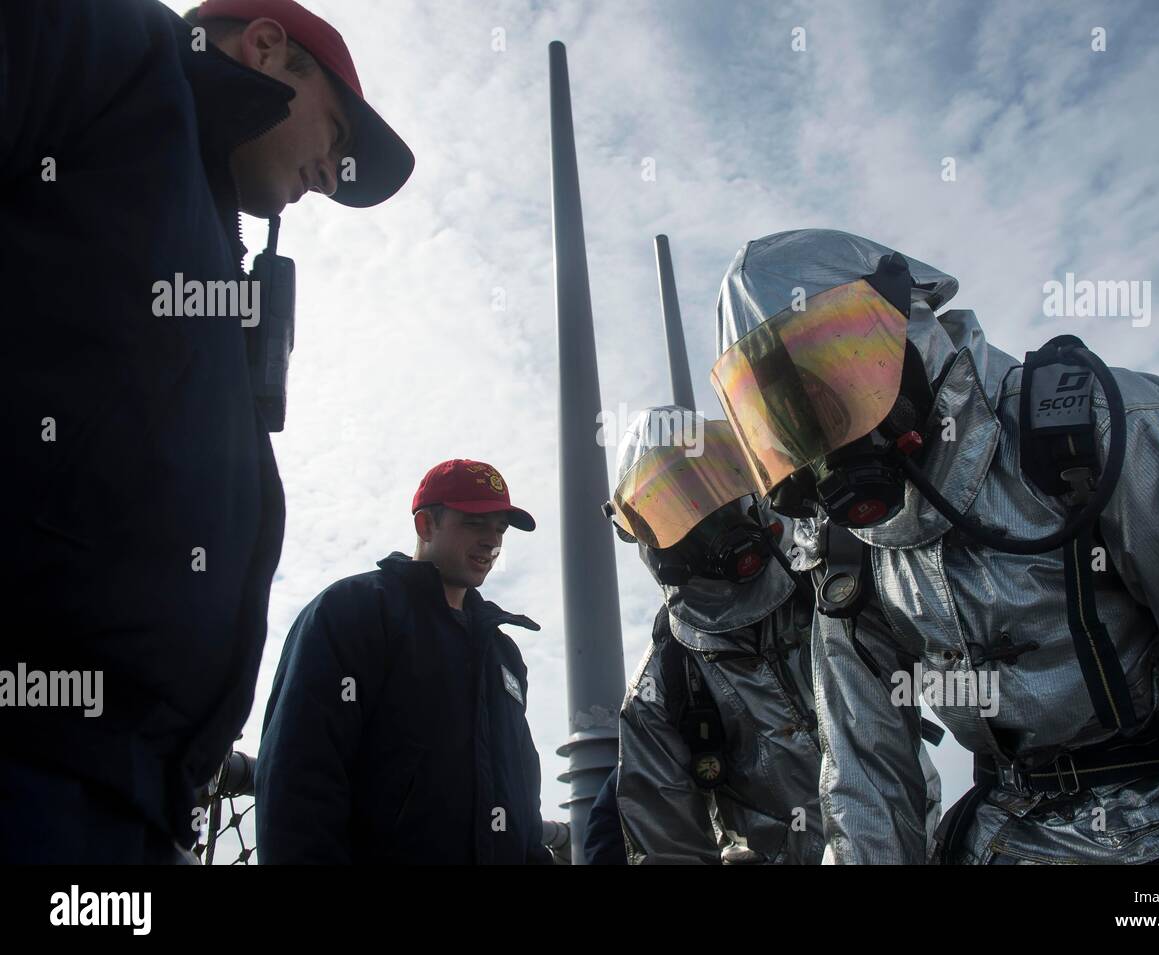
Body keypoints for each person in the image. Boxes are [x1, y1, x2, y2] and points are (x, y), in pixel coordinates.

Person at [710, 228, 1159, 864]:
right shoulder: (850, 556)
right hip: (1003, 840)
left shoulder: (1099, 426)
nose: (826, 424)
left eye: (837, 370)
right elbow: (865, 783)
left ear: (905, 328)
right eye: (790, 408)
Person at [0, 0, 412, 863]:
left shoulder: (206, 231)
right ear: (268, 48)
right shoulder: (112, 44)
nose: (333, 175)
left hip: (135, 800)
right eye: (336, 137)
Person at [608, 406, 945, 864]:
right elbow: (668, 848)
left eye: (714, 483)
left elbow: (966, 660)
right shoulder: (661, 685)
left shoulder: (838, 584)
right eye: (676, 504)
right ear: (651, 539)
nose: (707, 511)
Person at [255, 460, 553, 864]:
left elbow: (522, 794)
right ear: (425, 526)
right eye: (474, 523)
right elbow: (297, 773)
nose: (491, 541)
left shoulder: (502, 653)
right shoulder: (353, 611)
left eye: (499, 528)